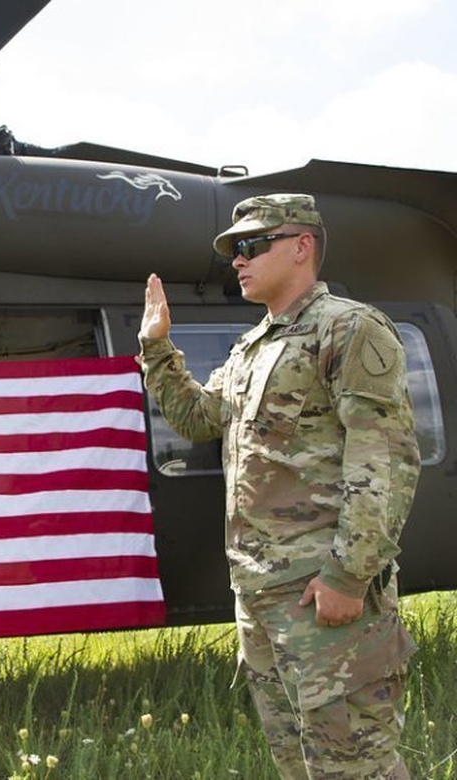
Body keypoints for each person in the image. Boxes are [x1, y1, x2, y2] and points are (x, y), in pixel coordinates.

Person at [139, 193, 420, 779]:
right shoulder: (250, 348)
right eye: (233, 251)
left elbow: (384, 459)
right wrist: (157, 347)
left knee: (356, 765)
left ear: (301, 246)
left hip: (322, 594)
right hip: (262, 595)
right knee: (299, 763)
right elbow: (197, 419)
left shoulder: (347, 329)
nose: (237, 261)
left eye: (251, 246)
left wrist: (349, 575)